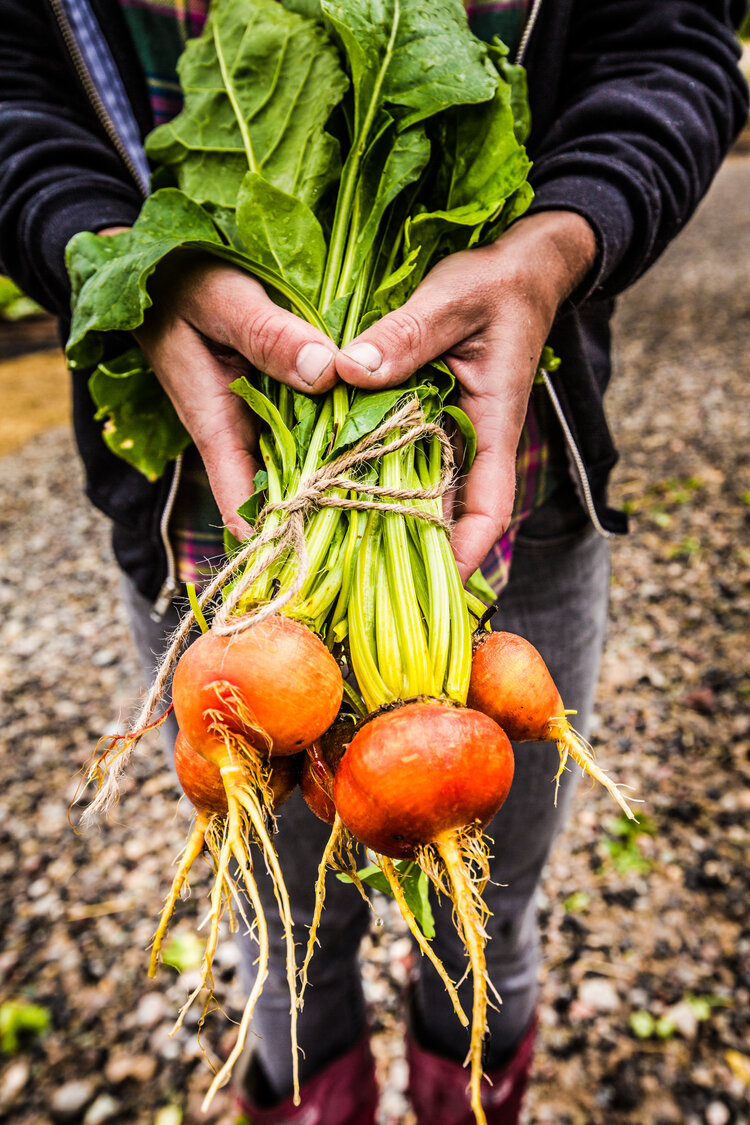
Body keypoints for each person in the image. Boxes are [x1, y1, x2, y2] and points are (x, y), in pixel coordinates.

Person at [1, 2, 747, 1123]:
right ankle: (309, 1094)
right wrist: (117, 263)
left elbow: (679, 41)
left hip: (510, 498)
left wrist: (559, 244)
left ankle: (468, 1096)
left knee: (494, 912)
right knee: (276, 935)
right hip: (218, 554)